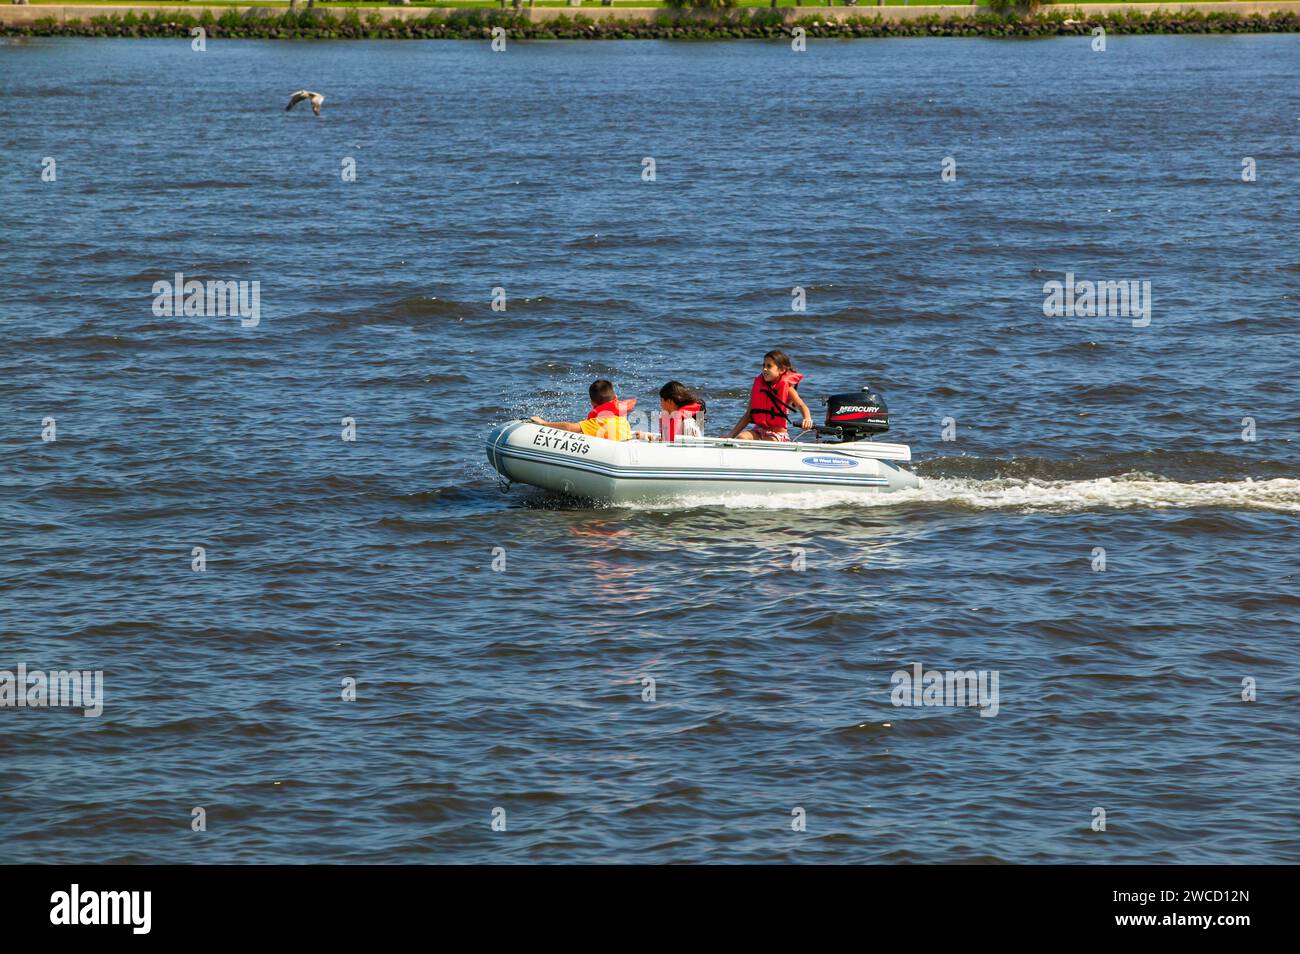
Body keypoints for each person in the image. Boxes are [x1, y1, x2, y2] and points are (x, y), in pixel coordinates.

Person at [728, 350, 813, 442]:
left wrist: (807, 418)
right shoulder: (759, 387)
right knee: (742, 437)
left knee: (767, 442)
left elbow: (801, 405)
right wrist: (731, 435)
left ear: (782, 370)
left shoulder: (787, 388)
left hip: (777, 435)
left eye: (769, 366)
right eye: (764, 365)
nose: (765, 369)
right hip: (758, 431)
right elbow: (748, 415)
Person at [531, 379, 636, 441]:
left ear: (592, 403)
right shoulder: (621, 418)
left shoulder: (596, 423)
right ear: (616, 398)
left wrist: (544, 423)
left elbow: (569, 427)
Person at [633, 381, 706, 442]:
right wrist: (646, 436)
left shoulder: (687, 423)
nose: (660, 404)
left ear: (669, 401)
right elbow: (666, 440)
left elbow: (693, 451)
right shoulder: (674, 420)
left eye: (661, 400)